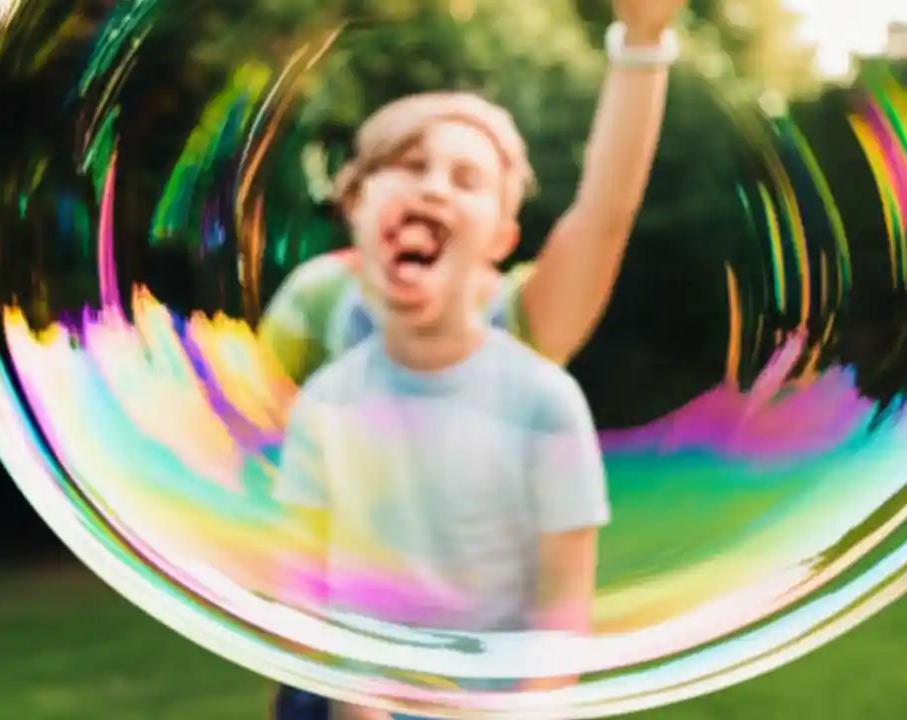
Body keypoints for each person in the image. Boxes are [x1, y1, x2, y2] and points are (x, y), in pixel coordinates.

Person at [263, 2, 685, 717]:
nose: (432, 186)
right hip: (343, 675)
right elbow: (292, 537)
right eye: (410, 166)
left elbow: (602, 215)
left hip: (492, 692)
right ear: (354, 201)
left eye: (465, 178)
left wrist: (642, 40)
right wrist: (351, 691)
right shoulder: (314, 317)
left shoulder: (527, 356)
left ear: (501, 238)